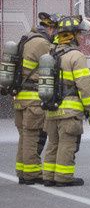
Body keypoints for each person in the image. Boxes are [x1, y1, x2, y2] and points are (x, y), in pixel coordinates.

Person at [40, 15, 90, 187]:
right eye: (80, 33)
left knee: (53, 143)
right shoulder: (76, 56)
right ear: (71, 34)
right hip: (69, 111)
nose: (82, 37)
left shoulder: (51, 53)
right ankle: (64, 177)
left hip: (51, 109)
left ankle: (49, 176)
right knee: (67, 143)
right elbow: (84, 86)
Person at [8, 12, 57, 184]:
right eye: (55, 31)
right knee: (31, 136)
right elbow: (54, 64)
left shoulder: (28, 38)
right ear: (50, 28)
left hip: (20, 96)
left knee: (24, 135)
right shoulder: (43, 43)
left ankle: (22, 170)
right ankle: (32, 173)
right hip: (33, 98)